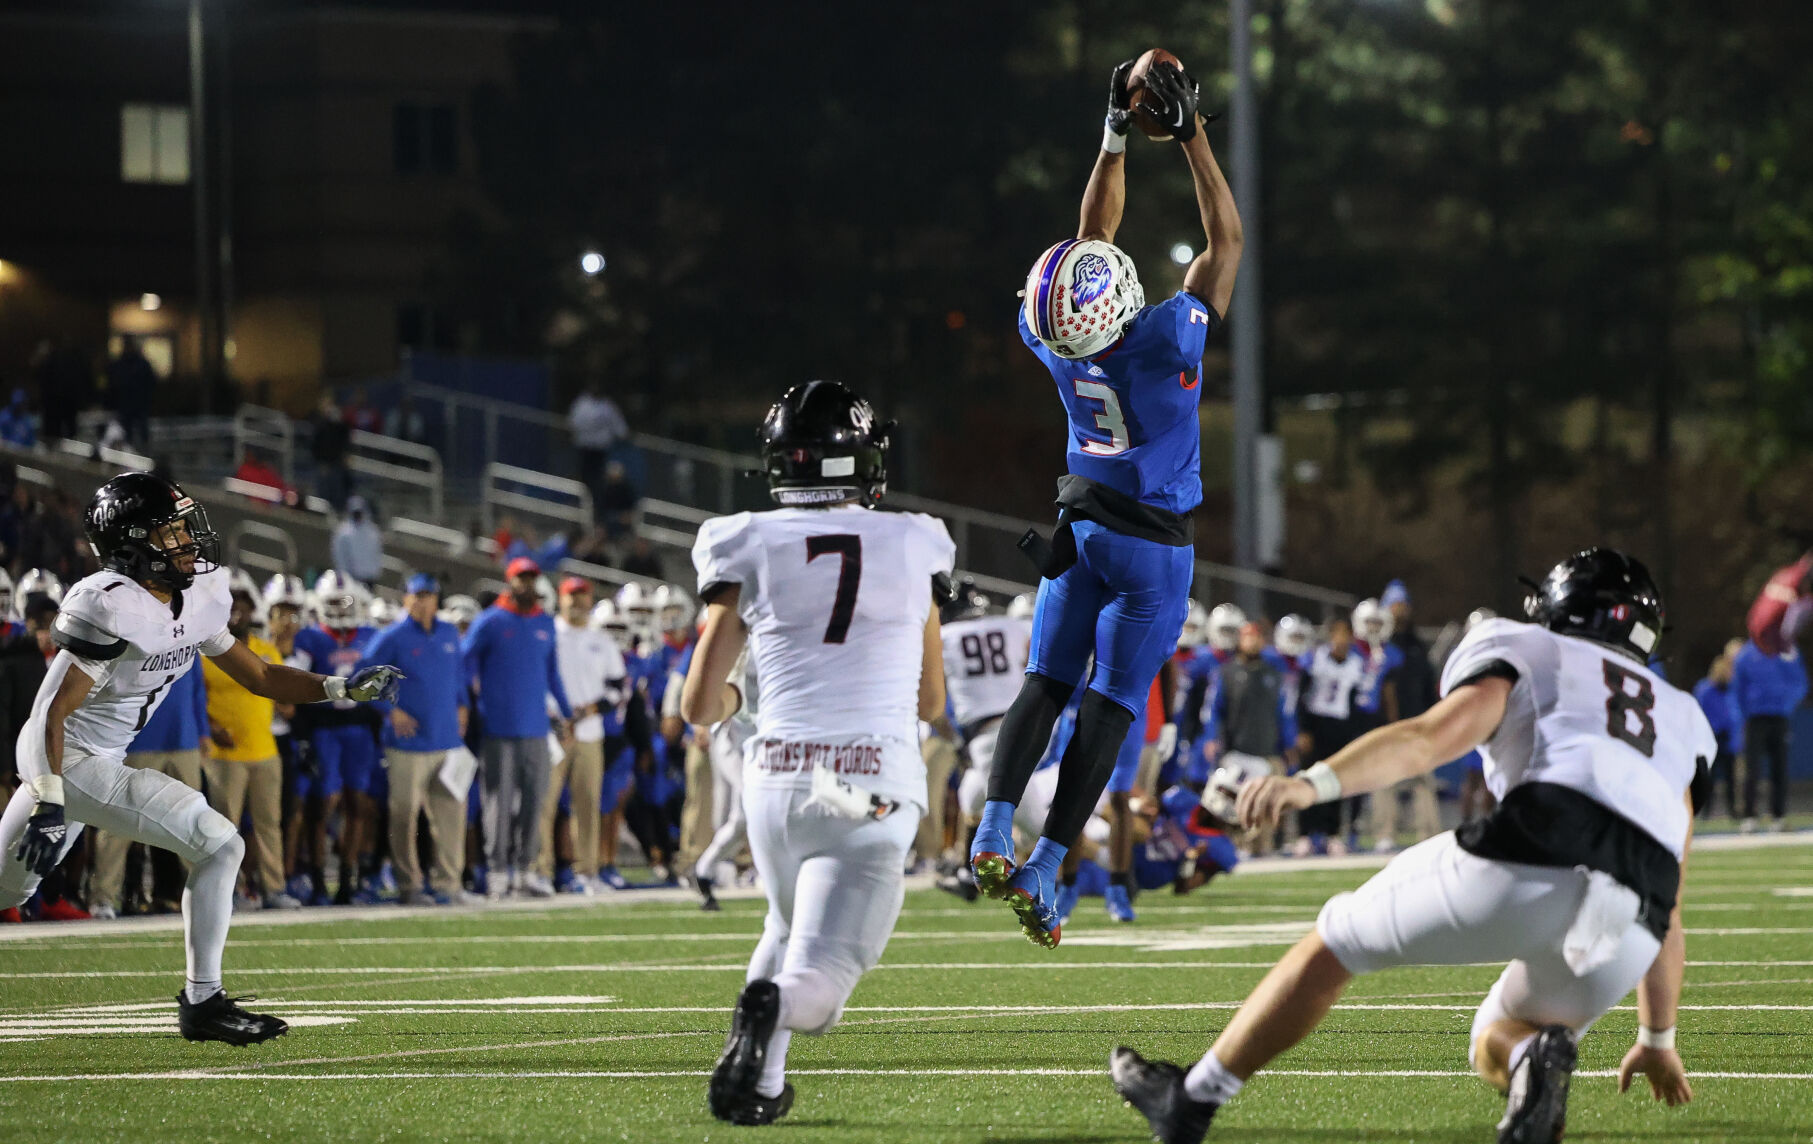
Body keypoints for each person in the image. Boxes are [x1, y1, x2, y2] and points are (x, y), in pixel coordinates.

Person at [1110, 549, 1709, 1144]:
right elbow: (1673, 898)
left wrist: (1310, 783)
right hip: (1634, 918)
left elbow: (1427, 741)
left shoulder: (1531, 648)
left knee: (1336, 941)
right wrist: (1658, 1039)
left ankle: (1191, 1100)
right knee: (1502, 1038)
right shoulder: (1683, 717)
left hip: (1537, 846)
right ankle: (1531, 1056)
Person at [968, 57, 1242, 947]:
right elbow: (1224, 241)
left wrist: (1113, 133)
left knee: (1044, 684)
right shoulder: (1165, 340)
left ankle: (989, 827)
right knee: (1108, 709)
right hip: (1150, 549)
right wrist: (1191, 133)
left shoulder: (1052, 341)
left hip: (1076, 532)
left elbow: (1088, 237)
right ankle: (1047, 866)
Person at [0, 472, 400, 1041]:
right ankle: (203, 1003)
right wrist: (47, 794)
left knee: (8, 888)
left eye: (186, 527)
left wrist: (338, 688)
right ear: (133, 543)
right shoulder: (109, 604)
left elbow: (260, 674)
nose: (188, 540)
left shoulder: (195, 597)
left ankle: (204, 1001)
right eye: (170, 531)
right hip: (72, 762)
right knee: (220, 843)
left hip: (101, 760)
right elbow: (46, 716)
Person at [685, 380, 953, 1126]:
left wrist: (746, 702)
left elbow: (699, 706)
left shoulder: (741, 537)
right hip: (865, 786)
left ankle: (758, 1085)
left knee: (782, 924)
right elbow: (930, 703)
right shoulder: (915, 539)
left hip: (776, 782)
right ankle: (770, 1015)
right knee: (823, 980)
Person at [461, 555, 573, 898]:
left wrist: (566, 713)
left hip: (535, 728)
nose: (526, 584)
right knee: (497, 803)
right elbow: (464, 663)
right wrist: (471, 702)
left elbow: (552, 673)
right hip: (498, 728)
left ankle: (525, 871)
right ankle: (497, 872)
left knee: (534, 802)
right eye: (521, 578)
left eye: (531, 578)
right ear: (510, 580)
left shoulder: (545, 623)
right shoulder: (491, 621)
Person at [362, 573, 470, 905]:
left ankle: (449, 884)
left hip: (447, 740)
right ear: (406, 599)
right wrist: (389, 711)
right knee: (404, 815)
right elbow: (364, 678)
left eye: (428, 595)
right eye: (416, 596)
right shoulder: (392, 636)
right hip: (407, 743)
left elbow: (458, 676)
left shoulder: (450, 632)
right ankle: (409, 885)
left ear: (437, 599)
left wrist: (464, 705)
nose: (422, 602)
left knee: (451, 815)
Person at [200, 587, 300, 910]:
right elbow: (196, 700)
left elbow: (285, 700)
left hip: (265, 749)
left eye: (242, 609)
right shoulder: (207, 653)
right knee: (225, 826)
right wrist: (212, 728)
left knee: (269, 824)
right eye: (231, 609)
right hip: (226, 754)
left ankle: (274, 888)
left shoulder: (267, 651)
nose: (236, 616)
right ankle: (229, 889)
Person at [293, 571, 384, 904]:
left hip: (360, 729)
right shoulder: (310, 638)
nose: (342, 609)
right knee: (323, 805)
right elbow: (298, 682)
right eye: (334, 603)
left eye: (346, 602)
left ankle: (348, 880)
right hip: (325, 729)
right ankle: (318, 881)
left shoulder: (372, 635)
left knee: (358, 804)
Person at [537, 577, 624, 895]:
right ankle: (541, 871)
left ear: (590, 599)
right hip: (552, 732)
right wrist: (558, 717)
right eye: (571, 595)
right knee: (544, 804)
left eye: (581, 595)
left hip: (589, 732)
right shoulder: (547, 634)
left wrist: (587, 711)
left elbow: (617, 688)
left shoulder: (602, 639)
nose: (576, 601)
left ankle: (587, 871)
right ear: (560, 599)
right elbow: (537, 679)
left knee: (587, 804)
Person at [1210, 621, 1296, 855]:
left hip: (1268, 751)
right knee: (1237, 802)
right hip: (1238, 749)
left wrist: (1289, 743)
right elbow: (1214, 710)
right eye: (1248, 636)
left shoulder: (1273, 674)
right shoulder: (1226, 673)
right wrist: (1212, 739)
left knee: (1270, 803)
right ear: (1239, 640)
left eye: (1257, 637)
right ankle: (1236, 846)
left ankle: (1266, 845)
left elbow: (1284, 712)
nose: (1252, 641)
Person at [1373, 580, 1441, 850]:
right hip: (1385, 725)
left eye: (1403, 605)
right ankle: (1384, 833)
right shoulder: (1378, 646)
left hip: (1417, 723)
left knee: (1423, 781)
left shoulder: (1417, 646)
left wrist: (1433, 719)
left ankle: (1429, 834)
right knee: (1383, 780)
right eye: (1394, 605)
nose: (1399, 610)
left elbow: (1428, 686)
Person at [1294, 616, 1366, 855]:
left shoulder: (1357, 664)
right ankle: (1304, 833)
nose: (1341, 640)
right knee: (1309, 778)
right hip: (1316, 725)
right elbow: (1302, 696)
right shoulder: (1316, 659)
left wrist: (1355, 732)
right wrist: (1303, 729)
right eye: (1337, 634)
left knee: (1335, 780)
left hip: (1341, 726)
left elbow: (1356, 702)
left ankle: (1331, 833)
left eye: (1346, 634)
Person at [1729, 633, 1807, 832]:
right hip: (1755, 718)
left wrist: (1785, 706)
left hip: (1779, 717)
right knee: (1752, 768)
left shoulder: (1787, 650)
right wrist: (1746, 712)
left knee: (1779, 767)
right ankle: (1749, 816)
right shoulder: (1747, 653)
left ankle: (1778, 816)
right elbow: (1738, 687)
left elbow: (1800, 682)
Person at [1691, 641, 1742, 820]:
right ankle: (1705, 812)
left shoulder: (1732, 690)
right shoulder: (1705, 690)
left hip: (1728, 742)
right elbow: (1699, 714)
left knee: (1731, 780)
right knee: (1707, 780)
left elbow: (1735, 715)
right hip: (1710, 740)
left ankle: (1733, 811)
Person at [569, 382, 630, 511]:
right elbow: (572, 422)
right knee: (583, 477)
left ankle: (596, 506)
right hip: (585, 448)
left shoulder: (607, 406)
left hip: (600, 450)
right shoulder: (582, 403)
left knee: (597, 480)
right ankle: (580, 504)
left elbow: (620, 428)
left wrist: (623, 434)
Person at [106, 338, 156, 450]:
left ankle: (143, 450)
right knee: (127, 432)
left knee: (141, 431)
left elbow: (150, 383)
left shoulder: (140, 364)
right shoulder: (123, 364)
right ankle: (133, 450)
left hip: (137, 403)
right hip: (127, 404)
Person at [332, 496, 384, 587]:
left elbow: (377, 553)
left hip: (369, 577)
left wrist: (376, 572)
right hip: (351, 578)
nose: (357, 515)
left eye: (359, 512)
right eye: (355, 512)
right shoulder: (343, 532)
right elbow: (339, 555)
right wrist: (344, 574)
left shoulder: (372, 531)